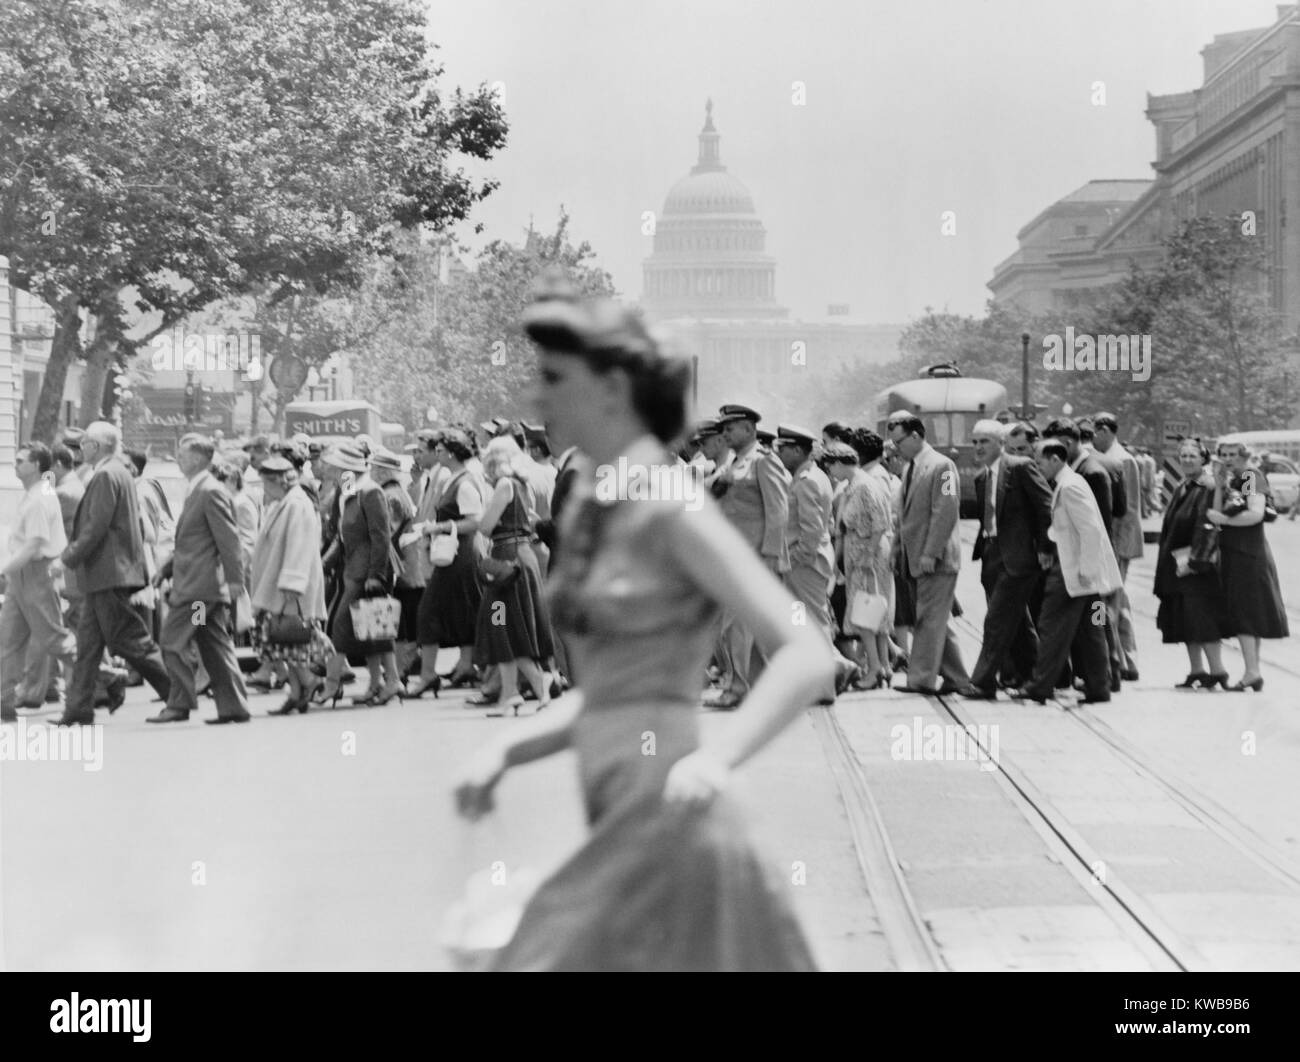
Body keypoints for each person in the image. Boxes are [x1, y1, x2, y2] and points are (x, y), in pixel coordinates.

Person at [452, 292, 833, 971]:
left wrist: (716, 759)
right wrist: (506, 750)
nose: (537, 396)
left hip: (671, 822)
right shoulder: (592, 509)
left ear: (612, 389)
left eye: (555, 379)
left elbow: (807, 655)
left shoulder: (671, 506)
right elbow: (605, 692)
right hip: (615, 814)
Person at [57, 422, 172, 725]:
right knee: (88, 645)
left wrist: (67, 558)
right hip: (106, 573)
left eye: (84, 444)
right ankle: (78, 708)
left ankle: (176, 694)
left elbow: (96, 525)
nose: (80, 449)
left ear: (96, 446)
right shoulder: (115, 472)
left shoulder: (108, 473)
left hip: (110, 572)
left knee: (129, 639)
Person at [149, 434, 252, 724]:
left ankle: (180, 703)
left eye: (181, 454)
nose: (178, 459)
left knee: (172, 641)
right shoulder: (200, 490)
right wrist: (166, 570)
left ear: (196, 459)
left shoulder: (209, 491)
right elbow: (195, 542)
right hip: (202, 588)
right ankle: (234, 706)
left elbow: (228, 540)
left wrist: (235, 581)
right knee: (213, 645)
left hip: (199, 592)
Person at [1010, 440, 1119, 705]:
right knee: (1091, 630)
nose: (1037, 467)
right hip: (1085, 575)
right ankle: (1098, 686)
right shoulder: (1070, 483)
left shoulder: (1069, 486)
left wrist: (1087, 568)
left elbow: (1090, 529)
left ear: (1056, 459)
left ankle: (1040, 685)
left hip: (1074, 572)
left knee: (1050, 625)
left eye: (1040, 462)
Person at [960, 420, 1052, 700]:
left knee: (996, 620)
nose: (977, 447)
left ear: (1000, 443)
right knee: (1019, 625)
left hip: (1019, 557)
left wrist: (1045, 548)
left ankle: (982, 682)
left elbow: (1045, 506)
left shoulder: (1021, 467)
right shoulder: (981, 478)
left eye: (984, 441)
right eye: (975, 442)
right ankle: (1041, 676)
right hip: (992, 554)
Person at [708, 404, 790, 709]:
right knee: (742, 629)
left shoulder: (763, 461)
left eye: (730, 428)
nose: (725, 434)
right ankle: (757, 688)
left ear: (749, 429)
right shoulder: (734, 462)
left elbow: (778, 510)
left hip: (756, 558)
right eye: (724, 429)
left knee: (738, 627)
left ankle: (741, 688)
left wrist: (771, 555)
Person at [470, 435, 554, 716]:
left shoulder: (504, 485)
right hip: (521, 559)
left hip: (506, 563)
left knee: (503, 625)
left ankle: (532, 686)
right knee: (507, 629)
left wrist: (486, 510)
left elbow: (484, 526)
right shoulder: (523, 483)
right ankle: (512, 694)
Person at [887, 411, 969, 694]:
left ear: (915, 435)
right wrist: (898, 549)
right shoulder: (911, 467)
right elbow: (904, 516)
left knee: (928, 619)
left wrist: (931, 552)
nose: (895, 448)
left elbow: (945, 511)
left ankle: (920, 678)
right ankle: (958, 678)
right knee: (937, 621)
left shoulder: (942, 466)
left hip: (936, 559)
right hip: (916, 557)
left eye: (899, 442)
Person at [320, 444, 403, 706]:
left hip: (368, 571)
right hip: (353, 569)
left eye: (334, 466)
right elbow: (341, 537)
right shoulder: (346, 493)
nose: (329, 470)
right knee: (371, 626)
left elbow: (381, 536)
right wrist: (323, 563)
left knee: (341, 626)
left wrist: (375, 574)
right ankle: (384, 682)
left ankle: (332, 685)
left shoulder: (370, 492)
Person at [1, 444, 78, 723]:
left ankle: (103, 677)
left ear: (35, 465)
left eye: (21, 460)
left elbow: (34, 544)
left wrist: (4, 570)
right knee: (8, 639)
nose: (15, 464)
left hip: (35, 572)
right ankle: (3, 701)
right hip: (24, 574)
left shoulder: (39, 498)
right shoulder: (36, 494)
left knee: (53, 638)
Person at [1207, 440, 1289, 691]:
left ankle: (1252, 672)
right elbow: (1217, 510)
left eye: (1233, 454)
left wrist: (1224, 521)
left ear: (1244, 456)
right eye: (1224, 454)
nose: (1229, 458)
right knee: (1246, 612)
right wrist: (1219, 485)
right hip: (1234, 553)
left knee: (1246, 613)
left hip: (1249, 554)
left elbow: (1255, 513)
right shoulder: (1233, 479)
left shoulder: (1251, 477)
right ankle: (1252, 671)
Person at [251, 456, 330, 714]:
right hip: (279, 584)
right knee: (284, 643)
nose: (264, 490)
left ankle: (308, 682)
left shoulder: (296, 504)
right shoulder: (287, 502)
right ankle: (297, 692)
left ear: (278, 482)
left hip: (290, 587)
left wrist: (292, 585)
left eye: (266, 484)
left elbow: (299, 546)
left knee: (290, 639)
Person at [409, 429, 484, 698]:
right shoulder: (456, 479)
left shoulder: (464, 482)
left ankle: (428, 675)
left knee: (429, 611)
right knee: (464, 609)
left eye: (439, 450)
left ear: (451, 452)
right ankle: (465, 664)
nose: (436, 453)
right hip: (455, 552)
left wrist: (439, 526)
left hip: (459, 554)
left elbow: (475, 521)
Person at [774, 425, 843, 703]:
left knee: (814, 623)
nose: (779, 453)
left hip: (805, 565)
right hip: (801, 564)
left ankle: (824, 686)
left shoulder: (808, 480)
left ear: (798, 450)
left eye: (783, 449)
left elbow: (812, 529)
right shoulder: (809, 476)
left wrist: (797, 558)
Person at [1154, 439, 1228, 689]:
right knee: (1186, 616)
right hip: (1178, 560)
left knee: (1202, 617)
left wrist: (1196, 559)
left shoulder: (1206, 486)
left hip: (1196, 563)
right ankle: (1197, 669)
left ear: (1203, 459)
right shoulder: (1183, 485)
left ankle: (1217, 670)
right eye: (1183, 456)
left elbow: (1207, 525)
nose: (1186, 460)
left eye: (1192, 456)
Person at [827, 433, 895, 689]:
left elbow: (881, 522)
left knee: (864, 612)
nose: (830, 471)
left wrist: (866, 556)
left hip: (870, 553)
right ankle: (883, 666)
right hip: (860, 553)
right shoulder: (852, 486)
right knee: (872, 611)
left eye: (831, 465)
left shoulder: (864, 485)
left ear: (842, 462)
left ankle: (875, 669)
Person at [1092, 412, 1142, 682]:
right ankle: (1127, 660)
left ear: (1106, 431)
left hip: (1118, 543)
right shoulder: (1108, 458)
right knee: (1119, 604)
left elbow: (1130, 509)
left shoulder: (1123, 460)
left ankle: (1121, 661)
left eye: (1095, 432)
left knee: (1110, 603)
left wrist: (1119, 546)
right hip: (1113, 543)